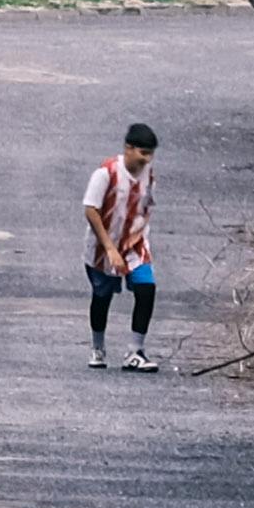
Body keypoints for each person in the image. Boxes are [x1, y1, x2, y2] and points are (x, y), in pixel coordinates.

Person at [82, 121, 163, 372]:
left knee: (146, 288)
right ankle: (98, 347)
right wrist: (109, 248)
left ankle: (135, 350)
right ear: (129, 148)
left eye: (150, 154)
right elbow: (91, 210)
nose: (146, 159)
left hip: (134, 243)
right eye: (142, 153)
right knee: (102, 296)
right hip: (103, 245)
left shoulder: (149, 174)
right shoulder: (106, 173)